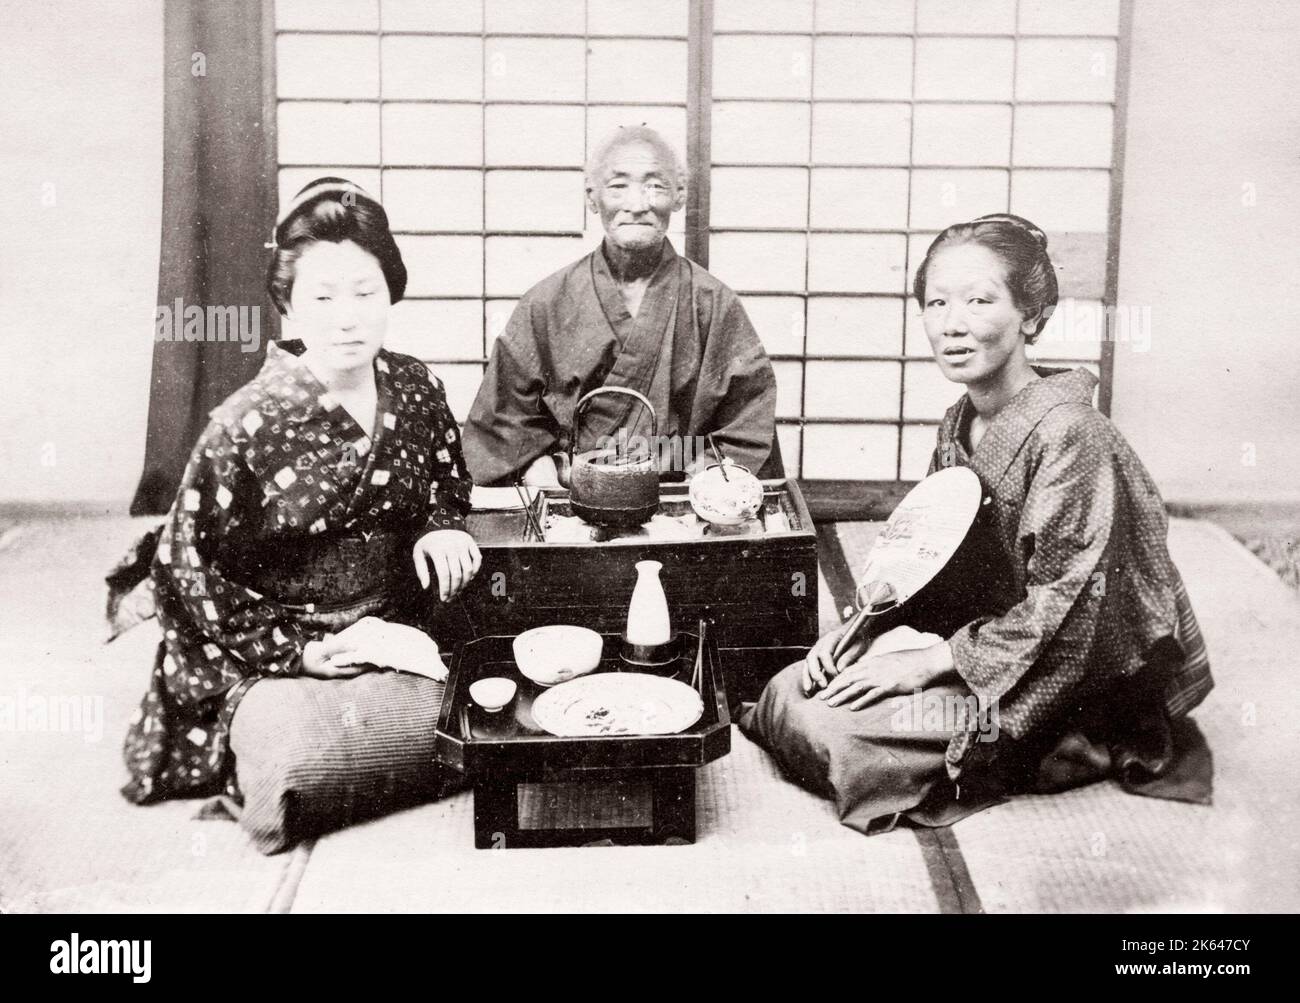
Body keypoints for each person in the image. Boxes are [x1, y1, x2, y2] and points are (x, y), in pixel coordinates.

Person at [741, 214, 1214, 835]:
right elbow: (936, 560)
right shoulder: (957, 420)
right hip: (984, 643)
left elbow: (1071, 609)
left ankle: (1075, 742)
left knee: (836, 729)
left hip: (1060, 673)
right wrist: (863, 631)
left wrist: (926, 663)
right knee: (789, 689)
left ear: (1033, 316)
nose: (951, 323)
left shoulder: (1073, 436)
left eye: (979, 300)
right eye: (936, 302)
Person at [119, 178, 481, 852]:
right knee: (295, 764)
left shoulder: (417, 388)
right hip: (279, 646)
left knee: (503, 701)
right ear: (286, 304)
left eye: (365, 292)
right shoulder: (247, 421)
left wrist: (440, 526)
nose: (347, 316)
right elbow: (183, 568)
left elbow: (448, 484)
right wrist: (298, 650)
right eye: (322, 296)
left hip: (395, 627)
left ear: (391, 292)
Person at [462, 125, 781, 486]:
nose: (637, 204)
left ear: (679, 196)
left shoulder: (713, 303)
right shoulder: (545, 303)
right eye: (617, 186)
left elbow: (747, 424)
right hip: (570, 496)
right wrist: (543, 477)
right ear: (591, 197)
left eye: (655, 186)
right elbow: (503, 424)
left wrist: (704, 484)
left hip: (681, 495)